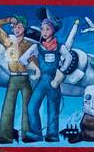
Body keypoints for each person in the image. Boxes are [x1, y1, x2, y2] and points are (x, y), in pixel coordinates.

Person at [22, 15, 69, 143]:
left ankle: (52, 135)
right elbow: (23, 59)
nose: (44, 32)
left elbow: (69, 59)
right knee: (32, 106)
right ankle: (36, 133)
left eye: (47, 29)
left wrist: (61, 72)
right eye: (42, 29)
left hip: (54, 82)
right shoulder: (37, 47)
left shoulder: (60, 47)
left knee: (53, 109)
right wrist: (36, 68)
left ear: (53, 31)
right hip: (42, 81)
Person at [0, 15, 37, 144]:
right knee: (8, 106)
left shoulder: (30, 45)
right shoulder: (8, 42)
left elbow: (36, 60)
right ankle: (5, 136)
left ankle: (27, 134)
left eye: (20, 26)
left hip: (25, 77)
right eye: (15, 26)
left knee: (28, 106)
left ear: (25, 28)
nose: (17, 29)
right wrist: (8, 20)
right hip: (13, 77)